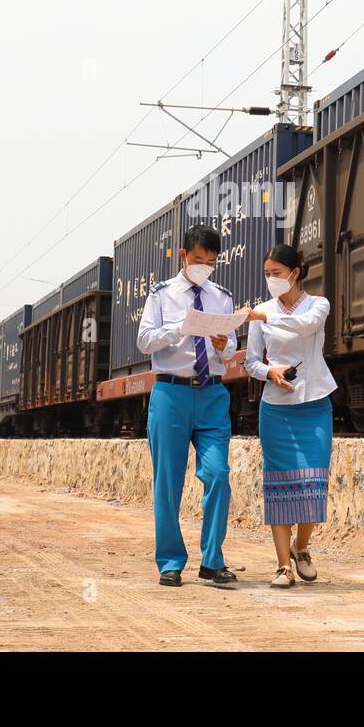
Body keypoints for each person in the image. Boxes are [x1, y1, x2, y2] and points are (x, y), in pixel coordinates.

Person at [136, 224, 239, 587]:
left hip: (212, 394)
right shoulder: (161, 295)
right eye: (198, 260)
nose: (204, 267)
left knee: (218, 475)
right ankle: (170, 561)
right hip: (171, 394)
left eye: (211, 262)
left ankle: (212, 560)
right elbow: (144, 341)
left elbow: (229, 350)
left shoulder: (222, 296)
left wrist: (226, 342)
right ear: (183, 255)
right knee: (168, 482)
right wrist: (180, 328)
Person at [242, 244, 336, 588]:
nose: (271, 280)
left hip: (314, 403)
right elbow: (251, 362)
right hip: (276, 408)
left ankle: (302, 548)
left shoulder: (318, 305)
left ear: (295, 273)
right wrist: (271, 372)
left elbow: (306, 327)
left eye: (276, 273)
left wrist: (262, 317)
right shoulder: (260, 312)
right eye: (267, 274)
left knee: (313, 483)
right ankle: (283, 566)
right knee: (278, 484)